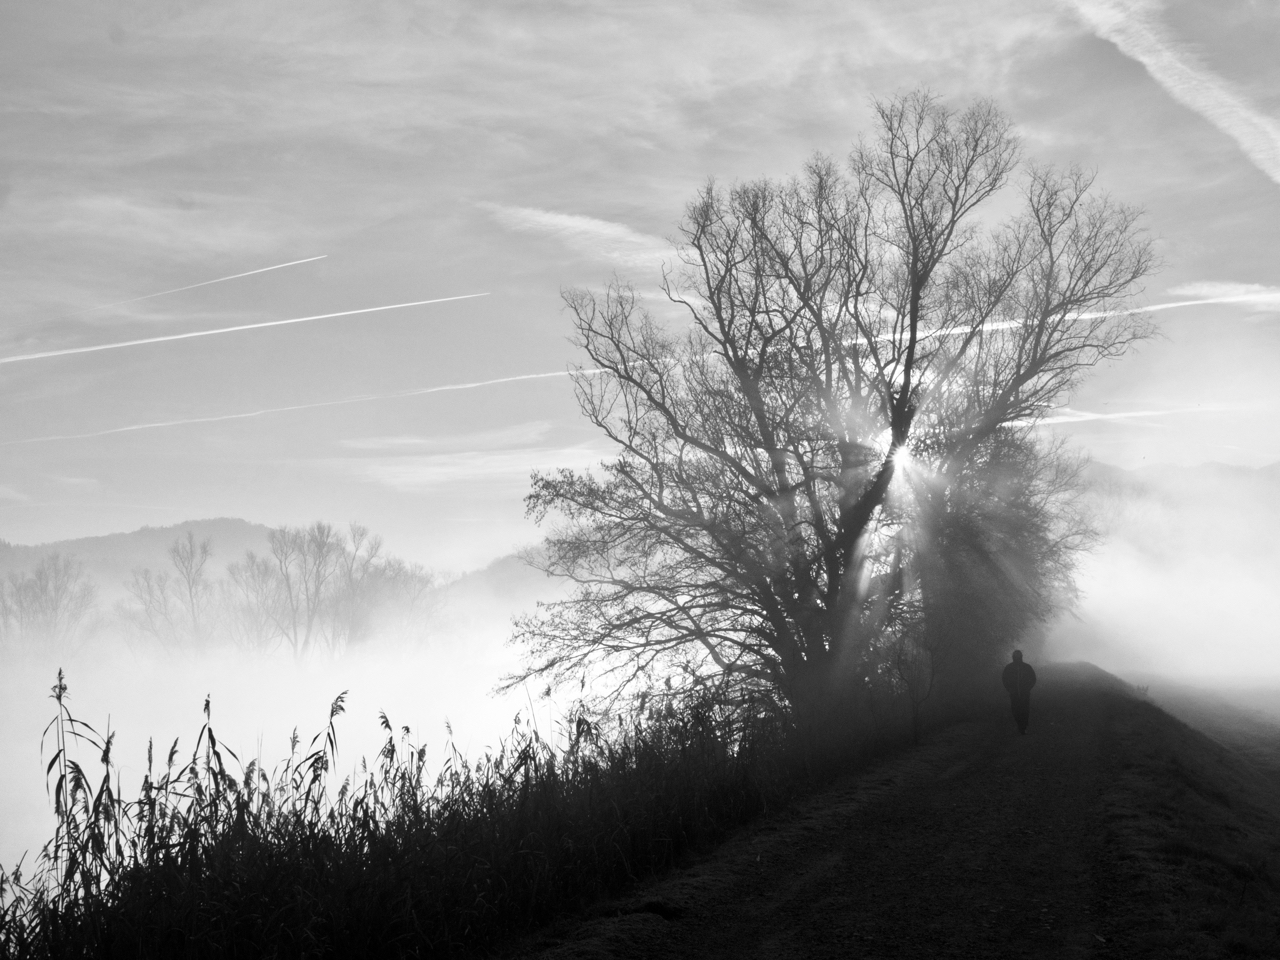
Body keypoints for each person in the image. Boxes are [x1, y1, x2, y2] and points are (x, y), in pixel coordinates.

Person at [1002, 650, 1036, 734]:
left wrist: (1028, 688)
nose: (1017, 658)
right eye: (1015, 656)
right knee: (1015, 709)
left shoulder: (1027, 667)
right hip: (1014, 693)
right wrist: (1009, 689)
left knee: (1024, 709)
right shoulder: (1009, 667)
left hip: (1024, 693)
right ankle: (1020, 724)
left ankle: (1023, 726)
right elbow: (1004, 679)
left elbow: (1033, 679)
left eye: (1018, 656)